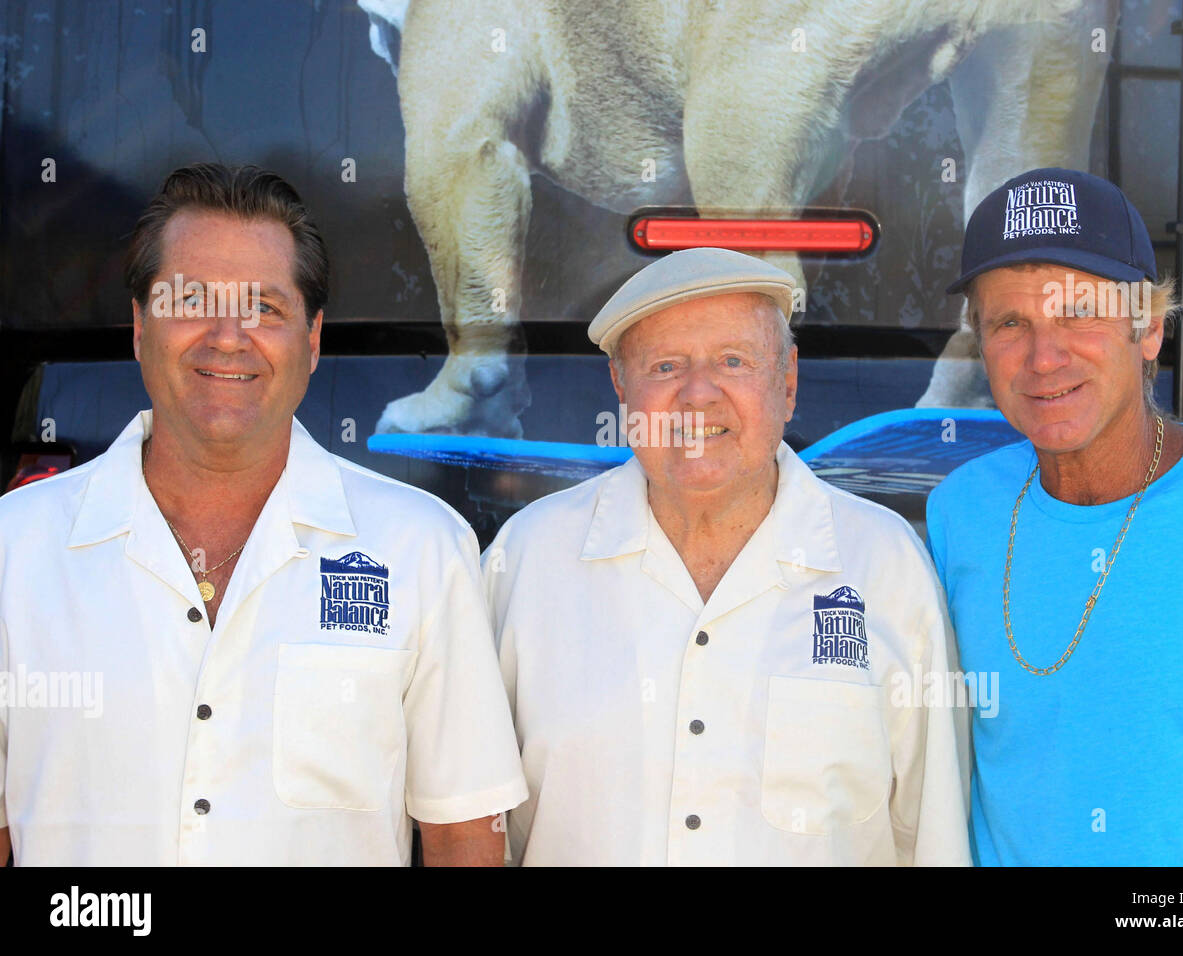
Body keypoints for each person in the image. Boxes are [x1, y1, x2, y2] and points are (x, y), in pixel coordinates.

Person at [0, 163, 526, 866]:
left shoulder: (420, 550)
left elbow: (465, 838)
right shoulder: (16, 546)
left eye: (265, 308)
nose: (227, 336)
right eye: (191, 300)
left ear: (311, 341)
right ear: (138, 327)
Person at [484, 247, 970, 865]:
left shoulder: (885, 565)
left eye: (733, 361)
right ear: (621, 387)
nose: (698, 395)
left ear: (787, 381)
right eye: (665, 366)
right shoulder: (528, 558)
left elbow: (935, 835)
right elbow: (472, 819)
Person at [926, 166, 1183, 865]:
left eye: (1077, 313)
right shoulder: (961, 512)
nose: (1044, 355)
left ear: (1149, 327)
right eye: (1011, 323)